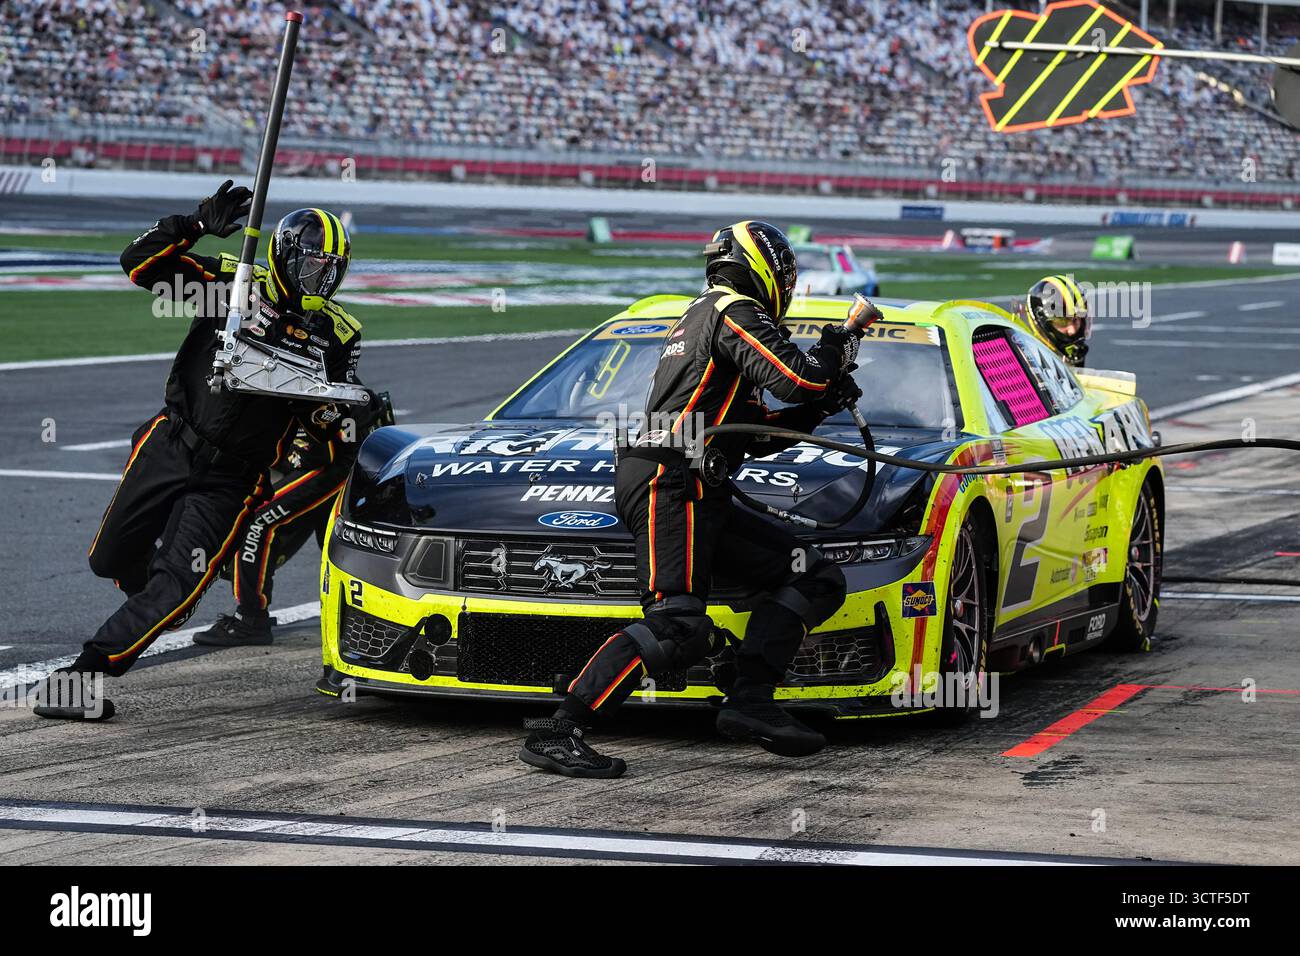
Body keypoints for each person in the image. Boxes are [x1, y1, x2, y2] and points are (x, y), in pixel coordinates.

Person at [518, 220, 865, 778]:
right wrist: (833, 350)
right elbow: (797, 380)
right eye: (788, 276)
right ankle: (560, 729)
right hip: (668, 480)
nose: (790, 287)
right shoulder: (731, 311)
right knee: (678, 623)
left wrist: (823, 402)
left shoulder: (707, 318)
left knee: (813, 577)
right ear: (766, 268)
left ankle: (750, 701)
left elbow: (754, 430)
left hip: (696, 483)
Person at [33, 182, 363, 721]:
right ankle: (157, 595)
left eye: (332, 271)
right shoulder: (234, 283)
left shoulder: (335, 334)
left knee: (176, 588)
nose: (321, 281)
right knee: (108, 559)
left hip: (231, 480)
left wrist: (331, 406)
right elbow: (138, 264)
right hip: (170, 441)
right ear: (283, 257)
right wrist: (191, 224)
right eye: (312, 267)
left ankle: (79, 676)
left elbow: (335, 425)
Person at [194, 389, 394, 647]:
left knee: (257, 519)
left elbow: (316, 454)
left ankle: (251, 620)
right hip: (341, 450)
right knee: (332, 539)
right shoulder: (297, 371)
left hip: (335, 462)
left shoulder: (298, 383)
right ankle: (359, 620)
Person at [1015, 274, 1091, 367]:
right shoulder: (1023, 360)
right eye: (1063, 321)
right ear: (1042, 321)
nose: (1073, 330)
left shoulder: (1076, 350)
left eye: (1076, 320)